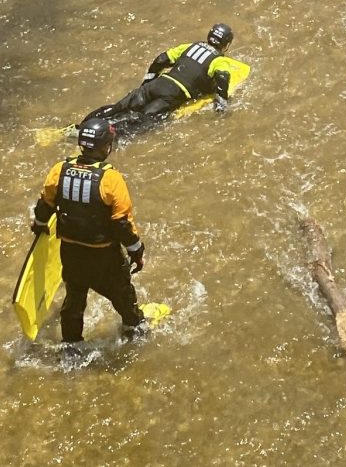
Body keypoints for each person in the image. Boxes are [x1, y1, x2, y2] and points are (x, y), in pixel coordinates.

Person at [30, 118, 147, 349]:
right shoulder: (111, 179)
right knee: (123, 295)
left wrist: (39, 224)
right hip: (105, 257)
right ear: (106, 146)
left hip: (71, 252)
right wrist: (137, 251)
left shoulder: (59, 170)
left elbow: (44, 206)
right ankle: (135, 329)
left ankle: (71, 346)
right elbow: (122, 223)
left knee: (74, 299)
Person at [82, 23, 237, 130]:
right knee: (141, 122)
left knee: (117, 108)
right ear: (227, 45)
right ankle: (105, 138)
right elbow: (222, 79)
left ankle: (80, 127)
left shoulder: (190, 46)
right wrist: (221, 106)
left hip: (158, 84)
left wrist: (148, 81)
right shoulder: (220, 61)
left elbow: (161, 59)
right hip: (173, 94)